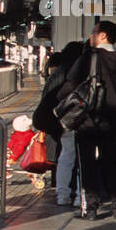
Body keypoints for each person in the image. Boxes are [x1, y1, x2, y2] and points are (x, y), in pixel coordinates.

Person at [58, 20, 116, 219]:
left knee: (87, 163)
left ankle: (90, 209)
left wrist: (61, 103)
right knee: (112, 162)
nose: (90, 37)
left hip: (88, 119)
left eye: (94, 33)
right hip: (112, 120)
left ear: (103, 36)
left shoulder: (89, 58)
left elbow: (71, 83)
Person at [34, 42, 85, 206]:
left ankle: (62, 195)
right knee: (81, 159)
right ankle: (79, 196)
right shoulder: (76, 73)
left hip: (57, 121)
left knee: (65, 157)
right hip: (72, 120)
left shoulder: (57, 73)